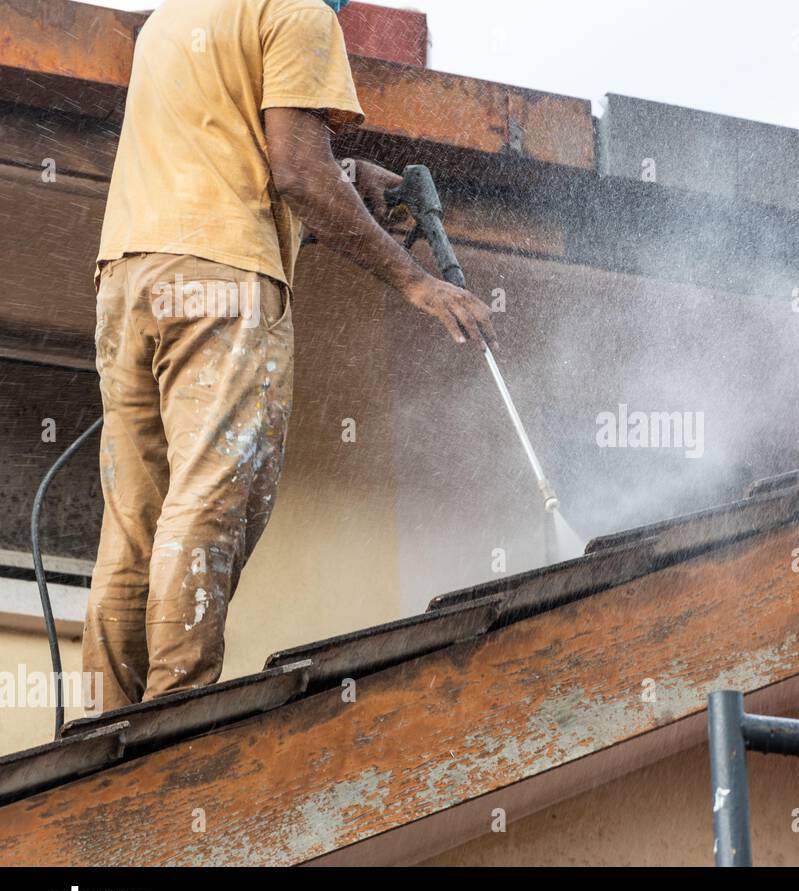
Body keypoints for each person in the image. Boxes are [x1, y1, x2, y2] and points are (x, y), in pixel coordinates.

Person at [85, 0, 494, 712]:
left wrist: (345, 171)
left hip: (130, 277)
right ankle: (170, 718)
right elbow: (297, 174)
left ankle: (105, 720)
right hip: (223, 283)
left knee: (133, 521)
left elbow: (229, 146)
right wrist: (415, 281)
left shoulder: (176, 17)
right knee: (212, 492)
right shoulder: (300, 11)